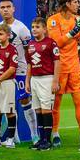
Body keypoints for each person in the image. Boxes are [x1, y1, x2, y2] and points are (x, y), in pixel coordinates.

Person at [47, 0, 80, 148]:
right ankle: (55, 134)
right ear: (67, 4)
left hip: (74, 67)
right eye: (75, 2)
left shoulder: (77, 19)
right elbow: (56, 42)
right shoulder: (53, 20)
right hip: (59, 68)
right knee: (56, 105)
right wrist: (73, 32)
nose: (78, 4)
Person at [0, 0, 34, 143]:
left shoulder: (21, 28)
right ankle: (13, 137)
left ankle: (34, 135)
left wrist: (29, 71)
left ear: (13, 9)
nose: (5, 9)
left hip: (21, 70)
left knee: (25, 100)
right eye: (2, 7)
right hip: (5, 74)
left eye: (8, 7)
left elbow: (28, 51)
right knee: (7, 104)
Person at [27, 15, 59, 150]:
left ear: (44, 29)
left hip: (47, 79)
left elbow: (57, 62)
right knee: (38, 110)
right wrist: (27, 81)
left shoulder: (51, 43)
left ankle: (47, 140)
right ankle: (41, 139)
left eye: (37, 27)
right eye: (33, 27)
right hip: (35, 79)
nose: (34, 29)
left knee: (46, 110)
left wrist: (55, 81)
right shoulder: (31, 44)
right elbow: (29, 64)